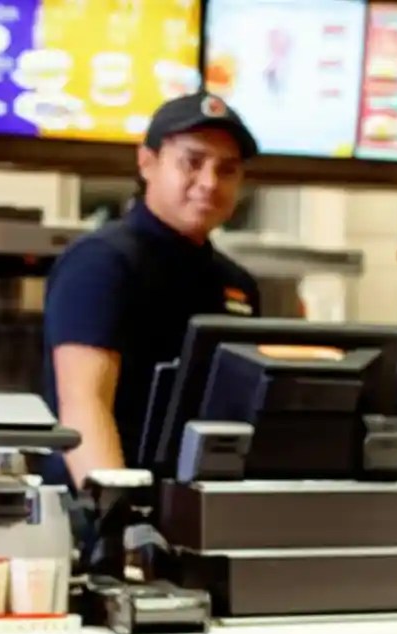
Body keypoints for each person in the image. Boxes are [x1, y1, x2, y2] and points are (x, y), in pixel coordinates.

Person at [42, 92, 261, 492]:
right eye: (192, 163)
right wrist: (119, 519)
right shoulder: (101, 262)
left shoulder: (237, 285)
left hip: (198, 511)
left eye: (226, 170)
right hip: (99, 513)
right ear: (148, 162)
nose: (209, 183)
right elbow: (84, 406)